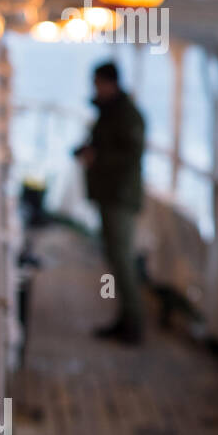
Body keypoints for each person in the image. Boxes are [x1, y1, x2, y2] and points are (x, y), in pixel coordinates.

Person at [74, 61, 146, 345]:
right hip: (110, 194)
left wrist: (97, 158)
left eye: (98, 83)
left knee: (122, 259)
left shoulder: (127, 115)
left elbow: (131, 155)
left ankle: (134, 323)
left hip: (121, 197)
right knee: (115, 258)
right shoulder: (110, 112)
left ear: (109, 83)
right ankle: (125, 318)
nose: (95, 89)